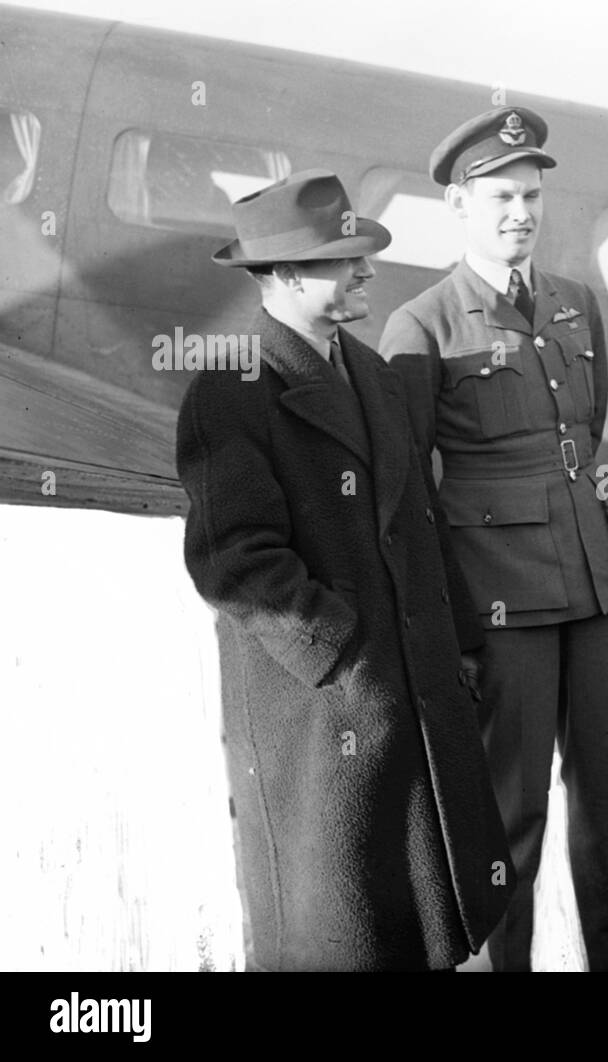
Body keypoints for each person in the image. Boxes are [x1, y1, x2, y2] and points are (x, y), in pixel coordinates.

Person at [175, 169, 512, 971]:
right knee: (340, 931)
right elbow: (232, 559)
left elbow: (422, 522)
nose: (366, 270)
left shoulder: (372, 373)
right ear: (287, 274)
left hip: (412, 692)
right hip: (323, 714)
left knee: (424, 922)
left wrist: (461, 645)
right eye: (343, 258)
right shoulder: (230, 387)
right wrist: (344, 656)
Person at [378, 107, 608, 972]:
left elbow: (583, 443)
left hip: (595, 587)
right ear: (459, 205)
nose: (520, 213)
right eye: (500, 196)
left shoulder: (575, 305)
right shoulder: (422, 326)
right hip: (501, 600)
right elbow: (407, 493)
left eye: (531, 196)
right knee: (511, 808)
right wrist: (448, 625)